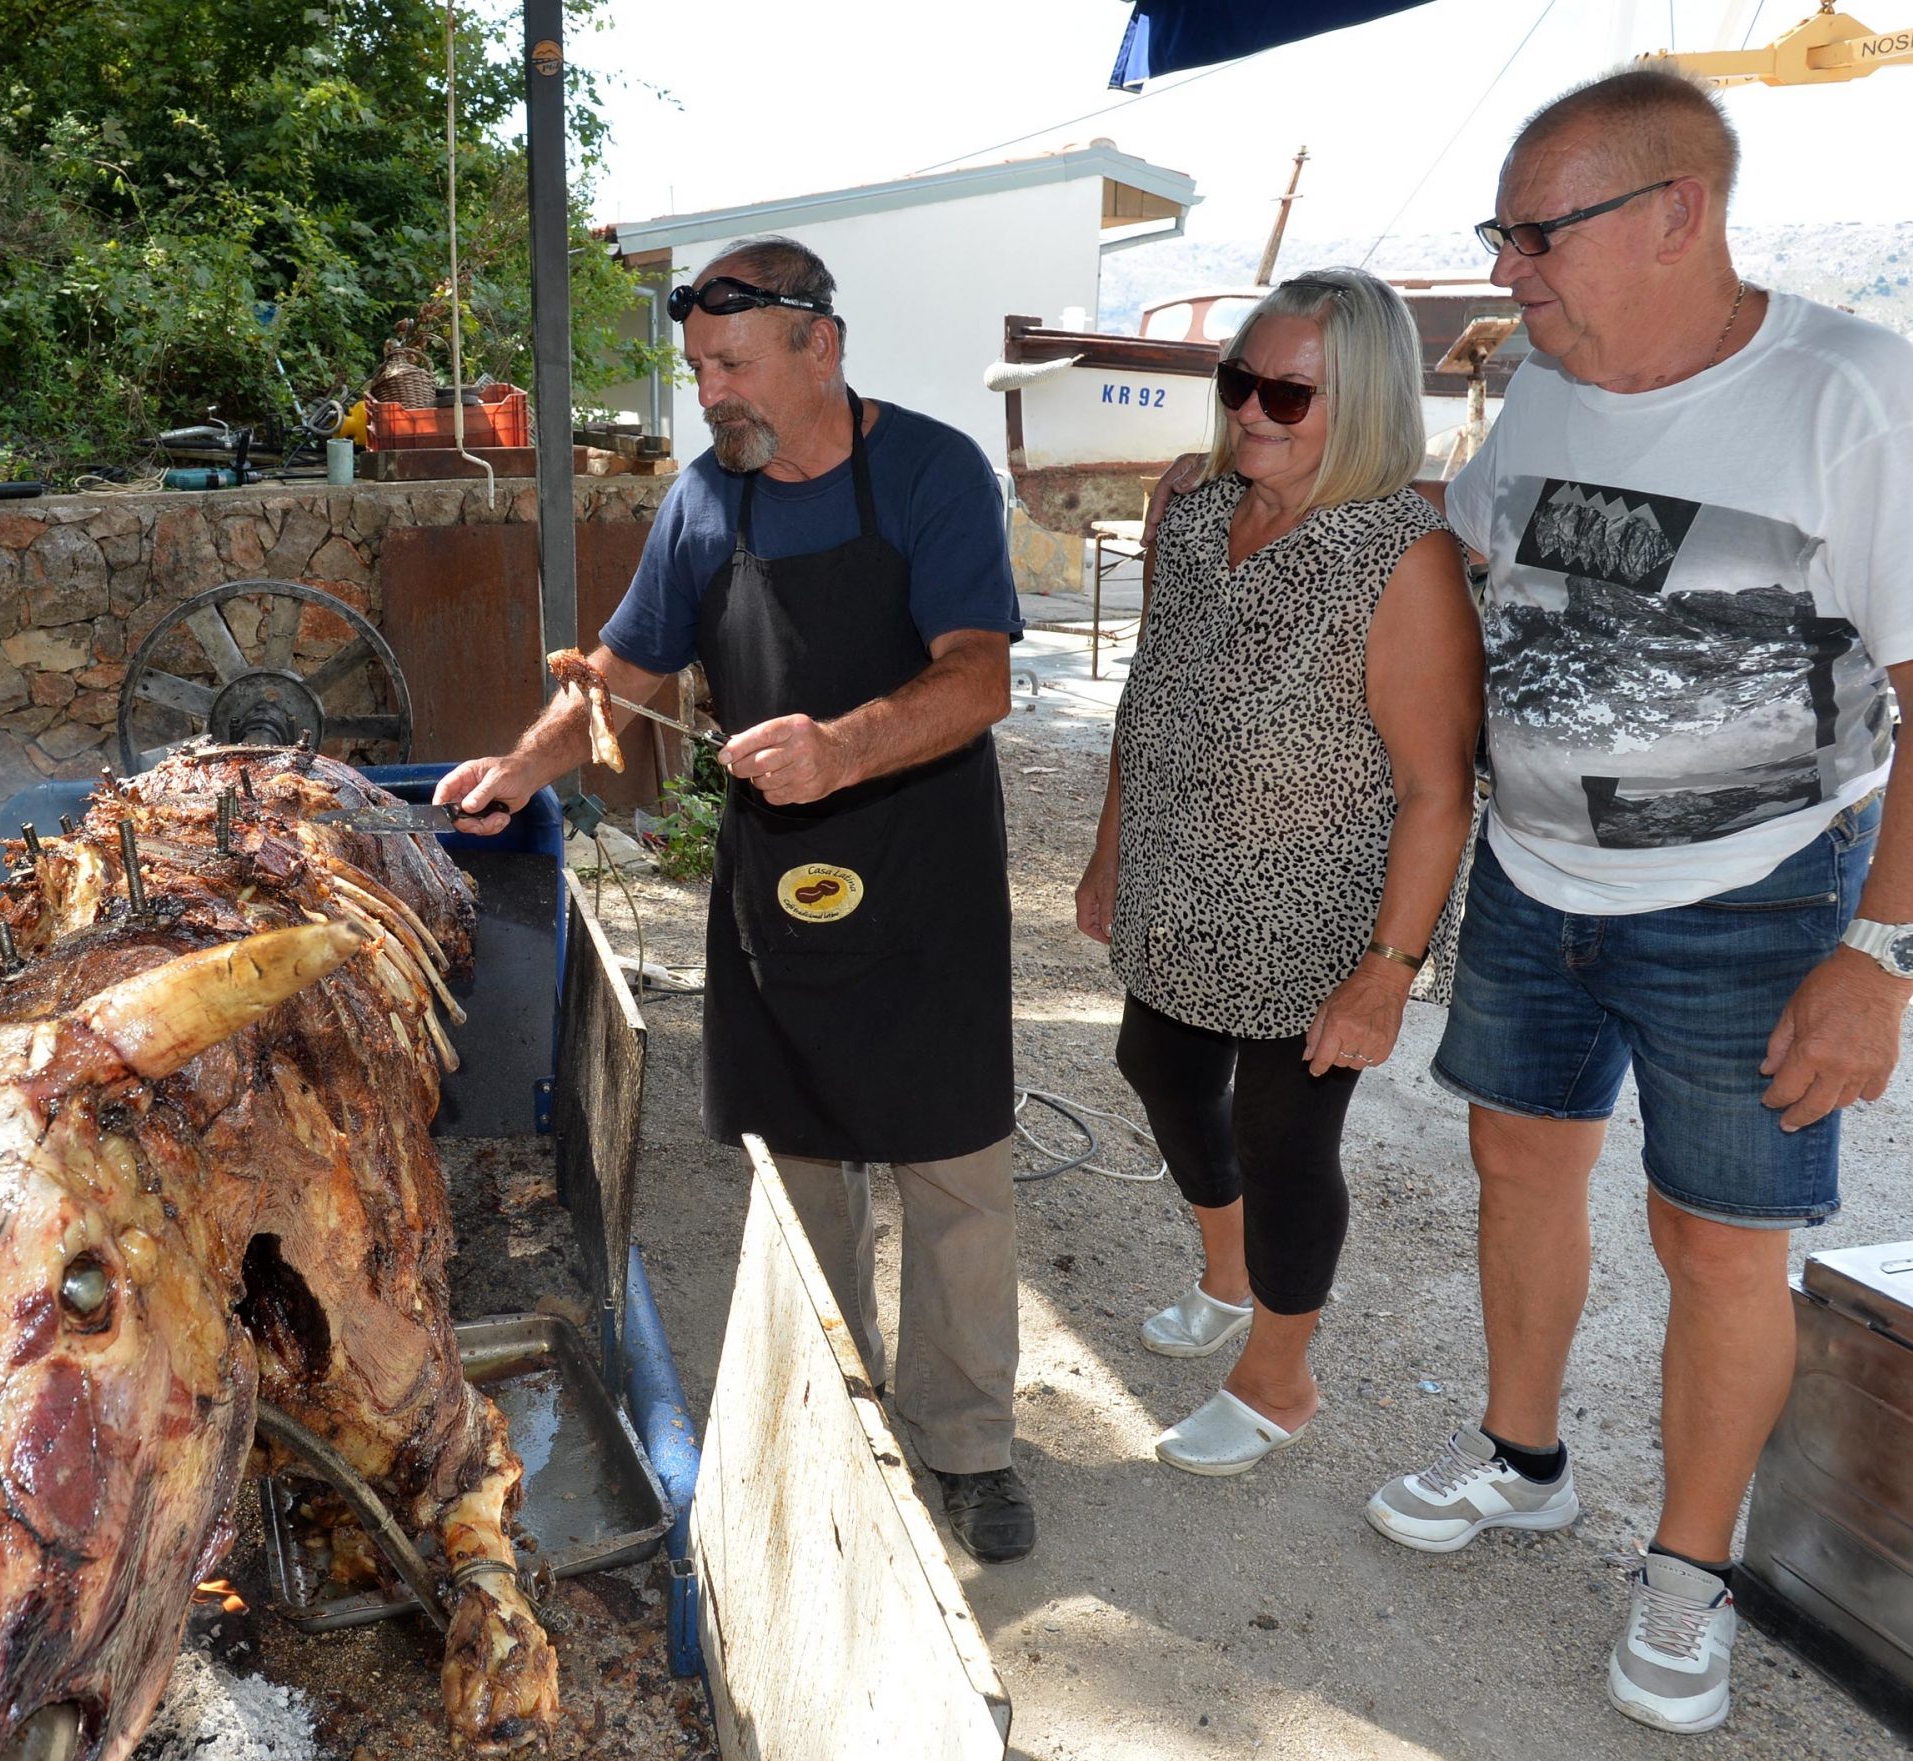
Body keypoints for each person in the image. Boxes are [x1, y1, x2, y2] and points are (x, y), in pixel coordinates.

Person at [1357, 69, 1913, 1735]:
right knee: (1515, 1158)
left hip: (1758, 894)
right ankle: (1523, 1457)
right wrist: (1277, 489)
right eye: (1506, 234)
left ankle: (1689, 1571)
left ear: (1676, 213)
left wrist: (1885, 958)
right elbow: (1463, 542)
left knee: (1718, 1243)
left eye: (1539, 234)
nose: (1511, 272)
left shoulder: (1858, 392)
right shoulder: (1547, 386)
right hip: (1535, 875)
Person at [432, 237, 1037, 1562]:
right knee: (803, 1167)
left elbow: (981, 676)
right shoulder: (706, 499)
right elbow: (617, 668)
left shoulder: (933, 469)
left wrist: (843, 746)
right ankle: (847, 1421)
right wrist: (516, 767)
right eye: (699, 369)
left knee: (952, 1177)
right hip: (782, 887)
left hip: (926, 869)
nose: (710, 394)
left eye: (732, 366)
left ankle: (970, 1443)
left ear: (819, 344)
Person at [1075, 269, 1480, 1479]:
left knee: (1284, 1139)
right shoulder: (1196, 517)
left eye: (1286, 395)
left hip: (1318, 912)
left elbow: (1436, 791)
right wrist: (1109, 853)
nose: (1249, 411)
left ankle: (1279, 1376)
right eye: (1237, 382)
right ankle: (1227, 1271)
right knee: (1152, 1062)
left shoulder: (1402, 557)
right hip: (1180, 876)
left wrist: (1387, 973)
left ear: (1357, 406)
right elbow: (1151, 701)